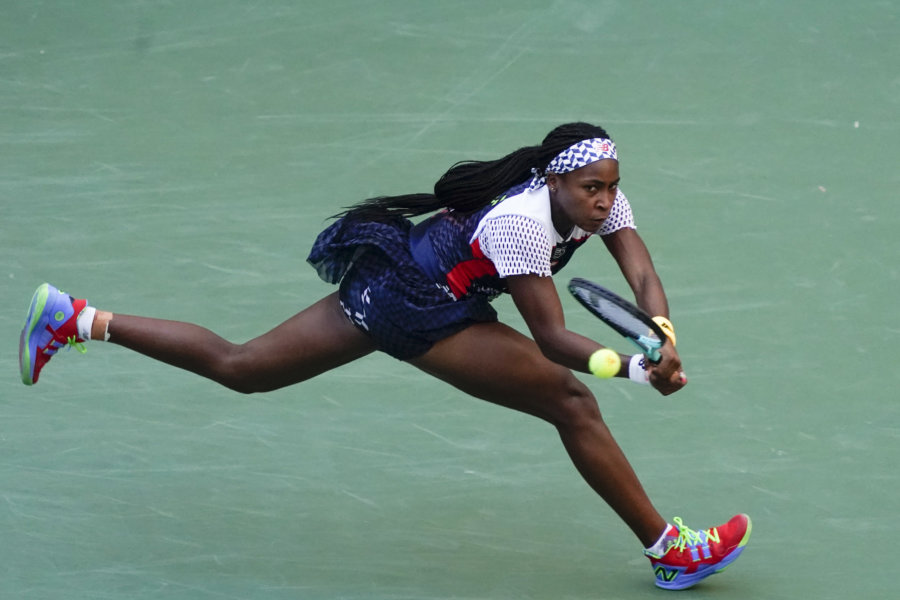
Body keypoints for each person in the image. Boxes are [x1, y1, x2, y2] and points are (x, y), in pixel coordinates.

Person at [18, 122, 750, 590]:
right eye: (592, 188)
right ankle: (668, 549)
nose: (605, 201)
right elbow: (554, 339)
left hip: (417, 281)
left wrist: (661, 328)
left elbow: (639, 268)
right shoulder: (525, 225)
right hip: (417, 305)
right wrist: (633, 368)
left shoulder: (597, 196)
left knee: (244, 369)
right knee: (570, 398)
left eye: (611, 188)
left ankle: (77, 319)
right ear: (556, 181)